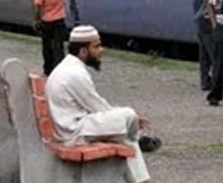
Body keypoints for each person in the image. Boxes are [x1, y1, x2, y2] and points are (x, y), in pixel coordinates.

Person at [46, 25, 155, 183]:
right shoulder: (75, 74)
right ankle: (137, 140)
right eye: (96, 46)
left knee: (124, 133)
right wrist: (130, 118)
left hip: (72, 128)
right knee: (128, 115)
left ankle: (141, 173)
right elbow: (98, 107)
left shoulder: (66, 68)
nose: (101, 50)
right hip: (74, 132)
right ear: (83, 51)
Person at [33, 0, 73, 76]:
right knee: (59, 46)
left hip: (46, 21)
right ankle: (59, 69)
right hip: (59, 21)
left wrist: (36, 20)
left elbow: (38, 5)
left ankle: (48, 69)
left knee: (46, 46)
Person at [189, 0, 214, 91]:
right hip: (205, 16)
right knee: (212, 51)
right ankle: (217, 79)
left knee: (204, 53)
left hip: (198, 16)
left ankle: (205, 81)